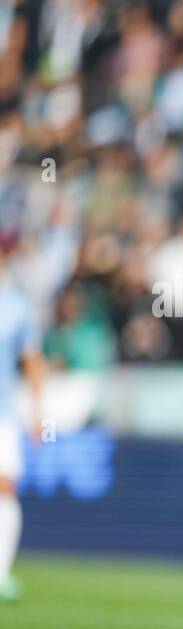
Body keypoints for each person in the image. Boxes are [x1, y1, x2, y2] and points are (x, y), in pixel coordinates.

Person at [0, 239, 45, 602]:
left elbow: (31, 359)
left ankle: (1, 572)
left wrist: (36, 410)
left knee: (5, 486)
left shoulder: (15, 305)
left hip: (3, 413)